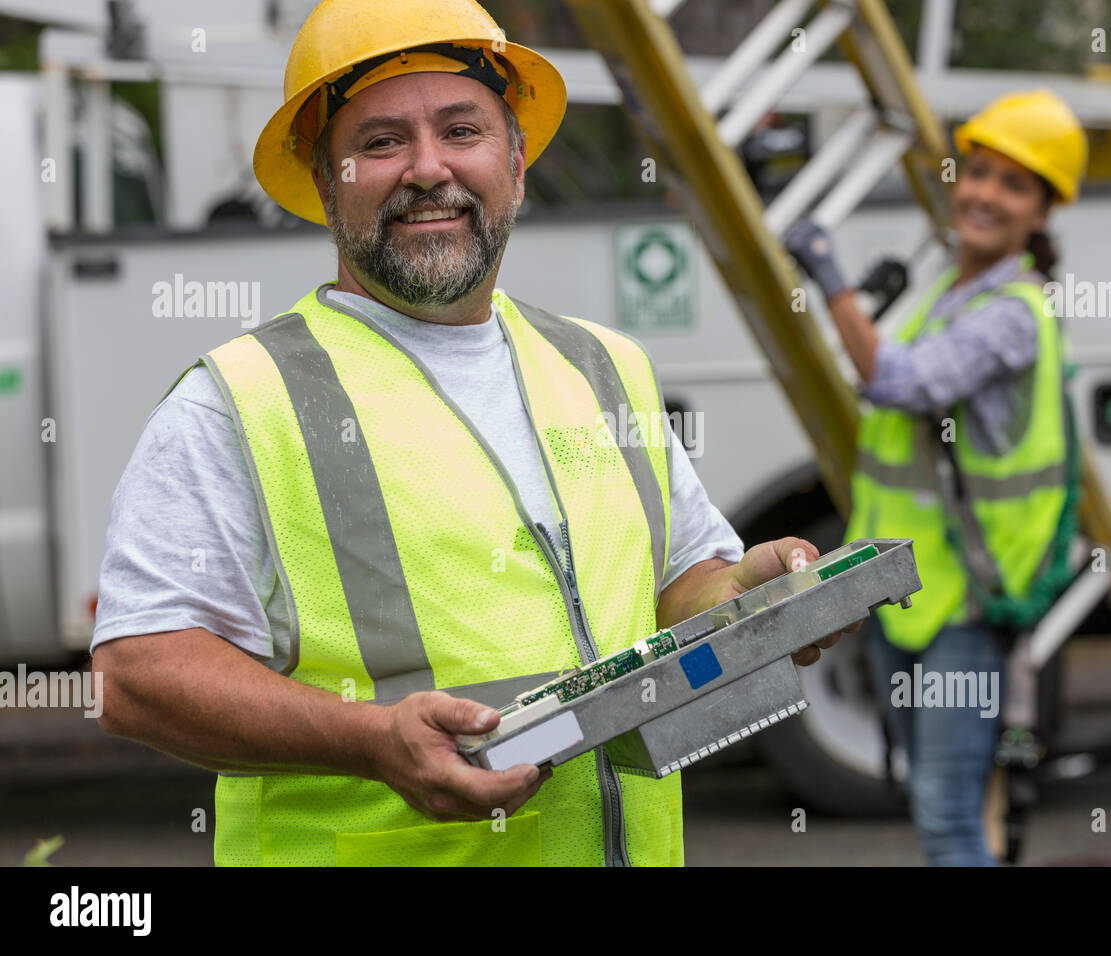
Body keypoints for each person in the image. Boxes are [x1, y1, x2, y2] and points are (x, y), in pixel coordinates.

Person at [91, 0, 854, 867]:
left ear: (517, 165)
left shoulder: (605, 368)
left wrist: (744, 595)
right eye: (380, 142)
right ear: (324, 177)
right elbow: (138, 675)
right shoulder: (239, 401)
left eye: (463, 130)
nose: (428, 169)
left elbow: (676, 588)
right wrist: (368, 739)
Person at [784, 89, 1086, 866]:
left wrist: (833, 280)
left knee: (949, 819)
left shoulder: (1013, 315)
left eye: (1013, 185)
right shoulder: (953, 298)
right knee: (932, 806)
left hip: (961, 606)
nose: (984, 193)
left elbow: (902, 384)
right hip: (899, 593)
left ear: (1042, 213)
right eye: (978, 173)